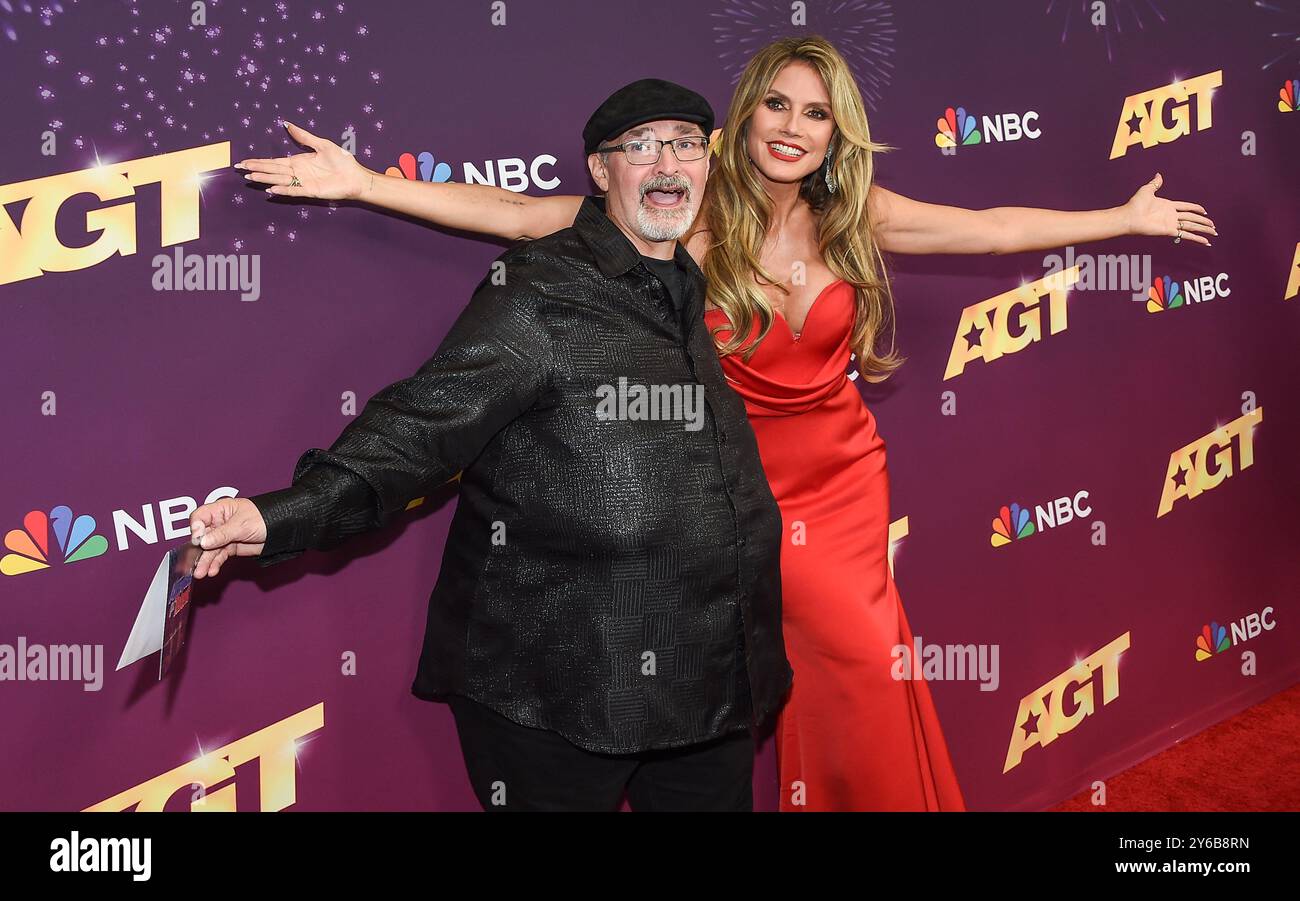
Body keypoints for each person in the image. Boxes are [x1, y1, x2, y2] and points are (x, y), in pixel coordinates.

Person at [238, 37, 1216, 811]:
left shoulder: (855, 216)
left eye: (817, 113)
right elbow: (521, 215)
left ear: (839, 133)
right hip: (719, 494)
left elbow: (995, 226)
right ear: (742, 119)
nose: (793, 127)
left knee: (865, 676)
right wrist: (365, 184)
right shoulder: (691, 214)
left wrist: (1119, 219)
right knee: (746, 688)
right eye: (778, 105)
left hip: (840, 484)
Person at [191, 78, 796, 812]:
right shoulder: (539, 290)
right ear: (600, 174)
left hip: (705, 685)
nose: (668, 165)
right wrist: (278, 515)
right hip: (559, 692)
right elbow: (421, 427)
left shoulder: (686, 277)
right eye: (640, 147)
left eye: (687, 145)